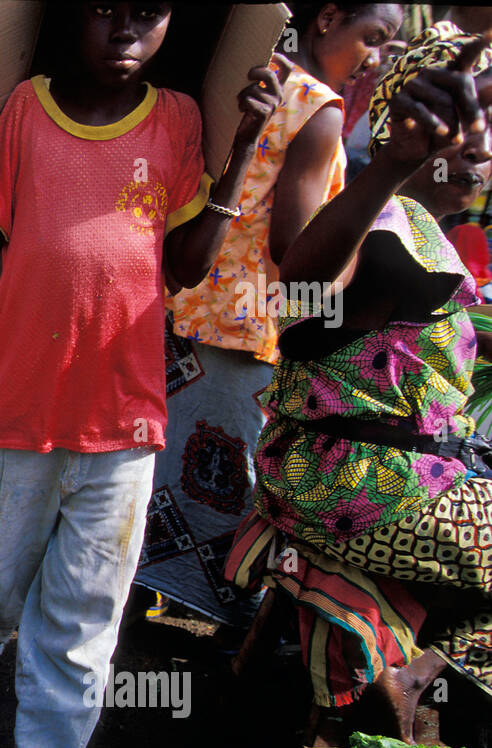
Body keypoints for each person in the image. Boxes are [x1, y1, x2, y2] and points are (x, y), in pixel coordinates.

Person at [0, 2, 281, 748]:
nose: (126, 29)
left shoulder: (177, 121)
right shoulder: (26, 110)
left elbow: (185, 265)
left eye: (150, 12)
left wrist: (238, 155)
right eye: (105, 9)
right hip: (17, 411)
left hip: (123, 418)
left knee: (84, 618)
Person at [227, 24, 492, 741]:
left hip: (353, 471)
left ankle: (394, 666)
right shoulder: (390, 218)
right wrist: (393, 166)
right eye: (469, 121)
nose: (481, 147)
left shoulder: (418, 229)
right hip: (349, 480)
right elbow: (309, 307)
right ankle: (410, 674)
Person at [133, 4, 403, 634]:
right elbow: (296, 247)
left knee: (162, 468)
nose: (372, 58)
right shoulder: (319, 109)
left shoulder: (254, 79)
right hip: (247, 331)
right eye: (371, 39)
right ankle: (222, 617)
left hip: (187, 306)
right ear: (327, 18)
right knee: (225, 482)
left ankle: (139, 595)